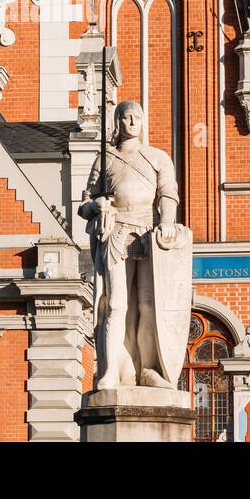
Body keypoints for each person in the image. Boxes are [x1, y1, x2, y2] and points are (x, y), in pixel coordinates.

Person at [78, 101, 187, 389]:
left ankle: (149, 369)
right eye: (125, 118)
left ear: (143, 121)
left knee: (150, 305)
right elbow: (84, 203)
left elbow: (168, 194)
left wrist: (166, 221)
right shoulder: (106, 158)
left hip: (151, 236)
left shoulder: (158, 158)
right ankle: (112, 371)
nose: (131, 123)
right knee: (115, 304)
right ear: (118, 122)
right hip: (117, 232)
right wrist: (96, 204)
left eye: (136, 117)